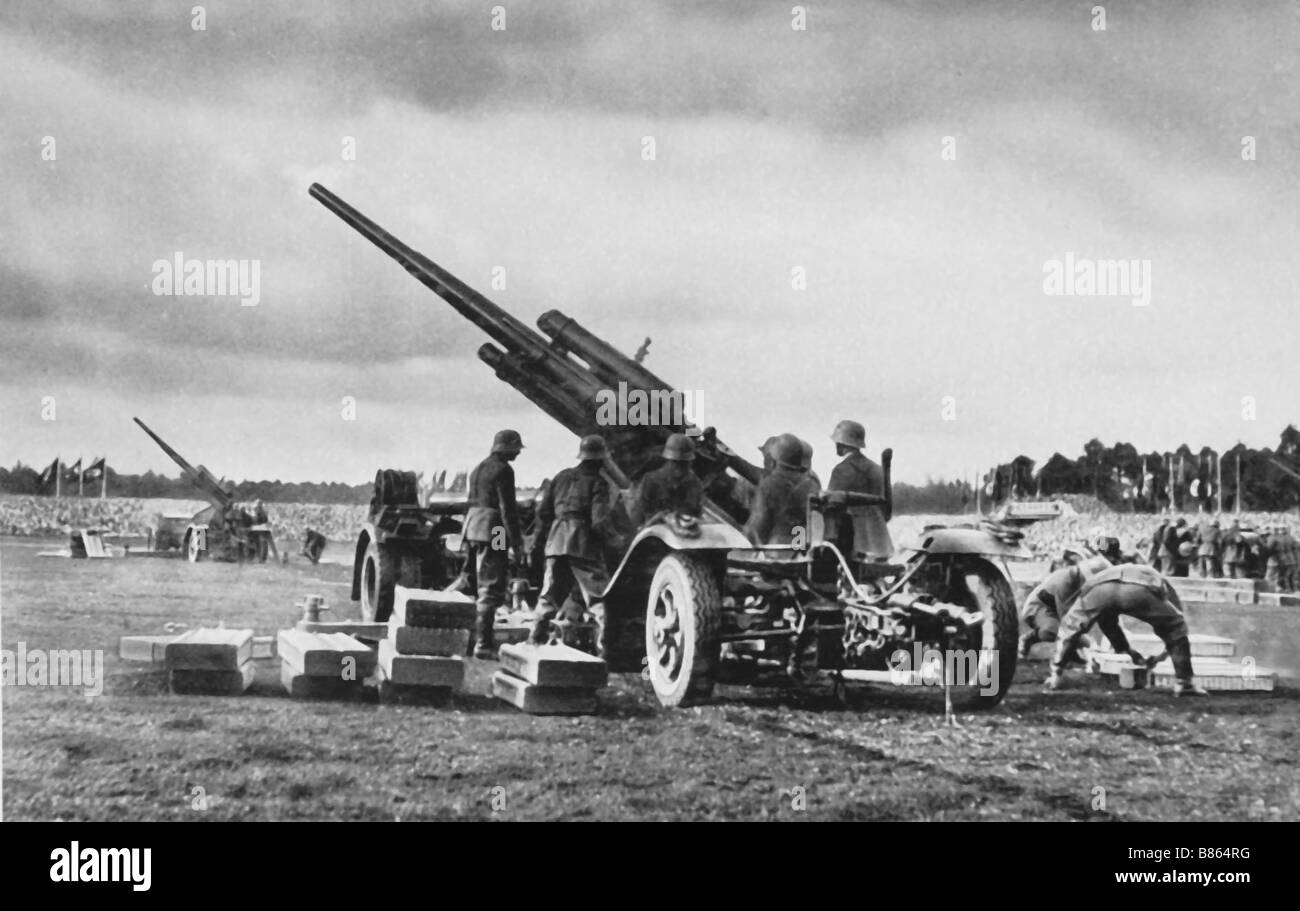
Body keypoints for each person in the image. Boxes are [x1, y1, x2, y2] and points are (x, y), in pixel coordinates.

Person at [1046, 558, 1208, 697]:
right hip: (1138, 589)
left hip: (1099, 590)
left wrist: (1127, 650)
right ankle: (1184, 683)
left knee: (1070, 628)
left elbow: (1108, 625)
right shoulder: (1157, 579)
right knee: (1175, 627)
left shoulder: (1108, 573)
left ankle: (1055, 675)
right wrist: (1161, 656)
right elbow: (1176, 627)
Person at [529, 435, 614, 649]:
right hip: (582, 544)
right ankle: (605, 649)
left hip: (556, 542)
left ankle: (534, 638)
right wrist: (614, 542)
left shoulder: (561, 477)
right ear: (600, 460)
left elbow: (543, 513)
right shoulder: (598, 483)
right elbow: (599, 521)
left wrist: (537, 544)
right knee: (597, 597)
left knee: (549, 595)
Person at [464, 429, 525, 659]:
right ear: (507, 447)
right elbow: (507, 509)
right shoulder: (504, 470)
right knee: (491, 584)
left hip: (472, 528)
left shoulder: (477, 469)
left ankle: (472, 637)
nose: (518, 453)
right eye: (517, 448)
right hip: (495, 530)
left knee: (471, 580)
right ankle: (483, 645)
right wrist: (517, 543)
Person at [824, 420, 891, 560]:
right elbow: (885, 510)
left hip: (853, 541)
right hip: (879, 540)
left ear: (842, 443)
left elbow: (832, 506)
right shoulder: (876, 469)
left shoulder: (841, 470)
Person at [1018, 556, 1110, 657]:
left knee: (1076, 629)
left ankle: (1071, 653)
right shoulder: (1064, 582)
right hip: (1038, 608)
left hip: (1055, 609)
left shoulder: (1079, 580)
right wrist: (1089, 643)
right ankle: (1027, 639)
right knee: (1050, 631)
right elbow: (1066, 619)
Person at [743, 433, 818, 547]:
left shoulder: (769, 485)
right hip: (804, 551)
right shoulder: (812, 485)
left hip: (777, 552)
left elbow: (756, 528)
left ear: (773, 459)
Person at [630, 433, 704, 526]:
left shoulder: (695, 486)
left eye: (683, 464)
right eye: (675, 463)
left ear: (690, 463)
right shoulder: (651, 480)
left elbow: (698, 520)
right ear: (668, 460)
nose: (679, 469)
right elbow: (636, 518)